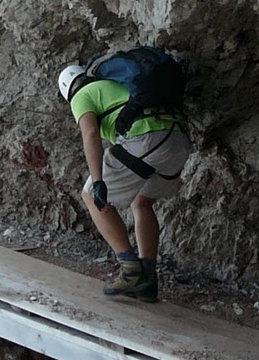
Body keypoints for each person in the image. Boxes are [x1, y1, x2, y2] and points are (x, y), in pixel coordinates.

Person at [58, 62, 191, 302]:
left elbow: (89, 134)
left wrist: (98, 180)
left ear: (68, 91)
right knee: (142, 203)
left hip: (147, 139)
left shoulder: (81, 96)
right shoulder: (114, 85)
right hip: (179, 141)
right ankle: (148, 279)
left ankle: (130, 270)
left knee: (91, 196)